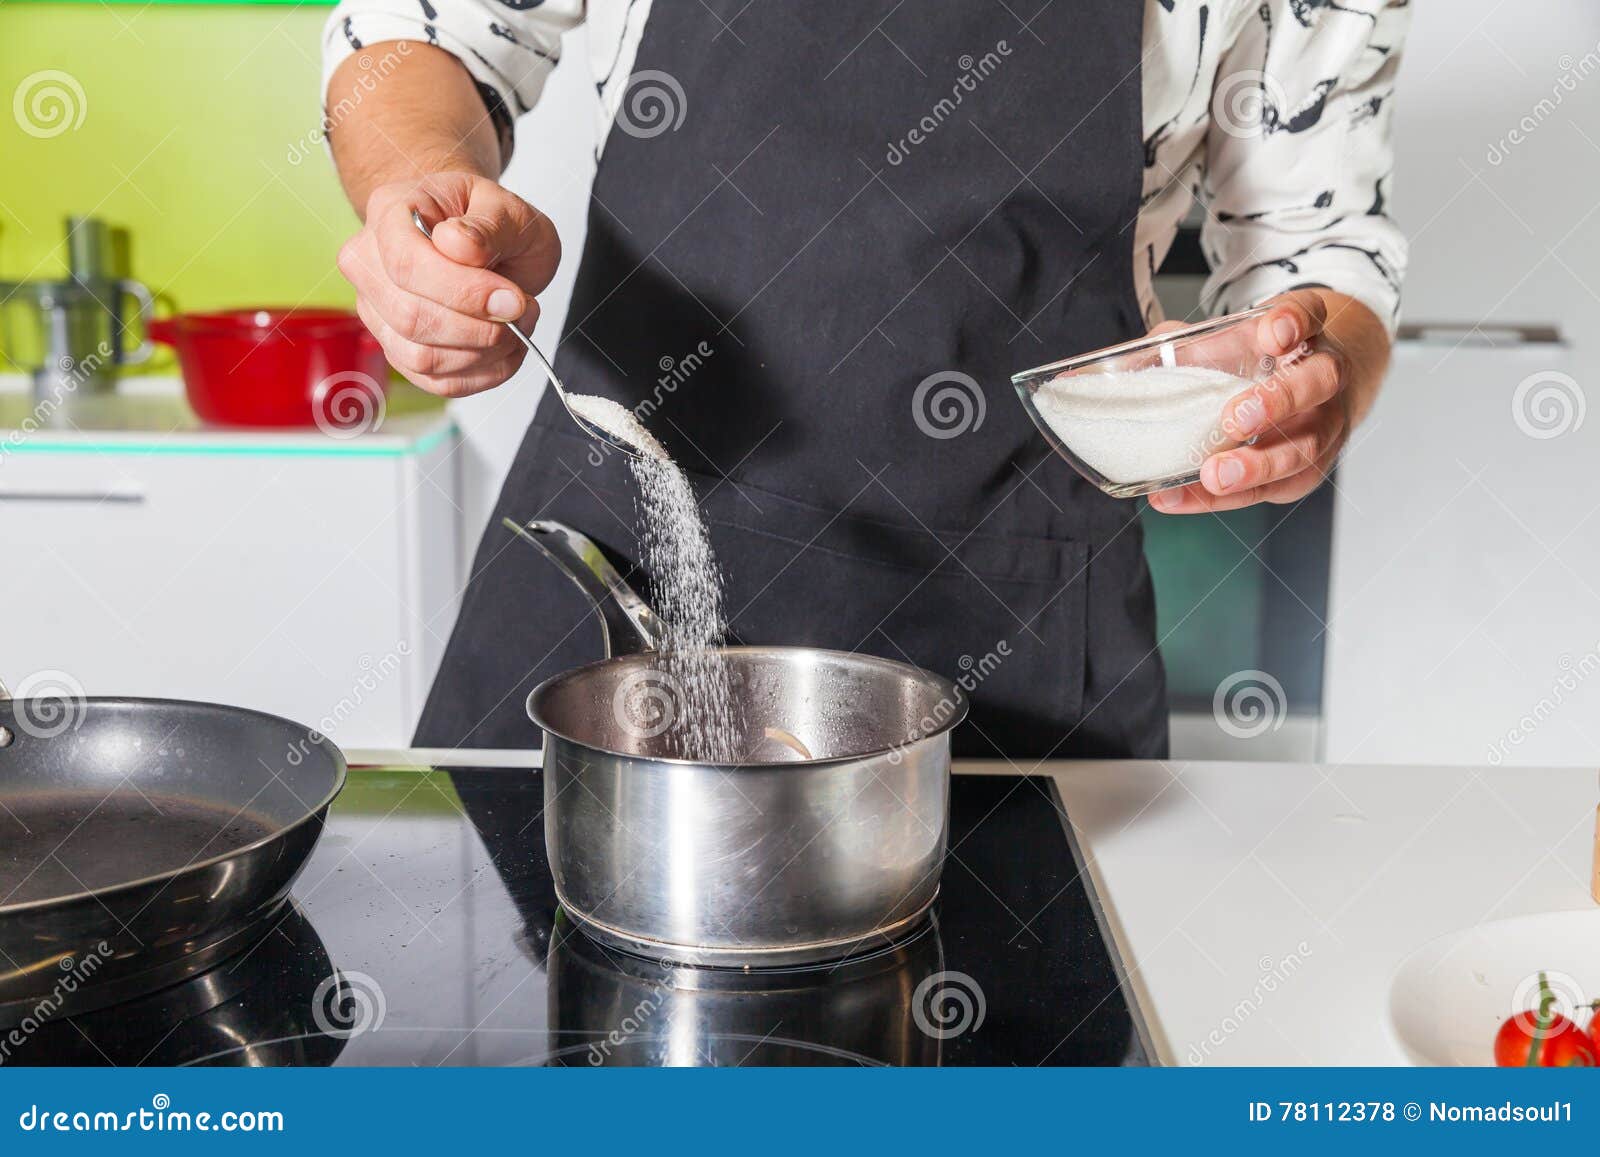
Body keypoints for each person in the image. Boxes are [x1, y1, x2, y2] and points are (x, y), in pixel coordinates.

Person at [320, 0, 1409, 759]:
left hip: (1011, 631)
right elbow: (419, 31)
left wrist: (1324, 380)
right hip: (616, 586)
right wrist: (424, 190)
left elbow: (1317, 249)